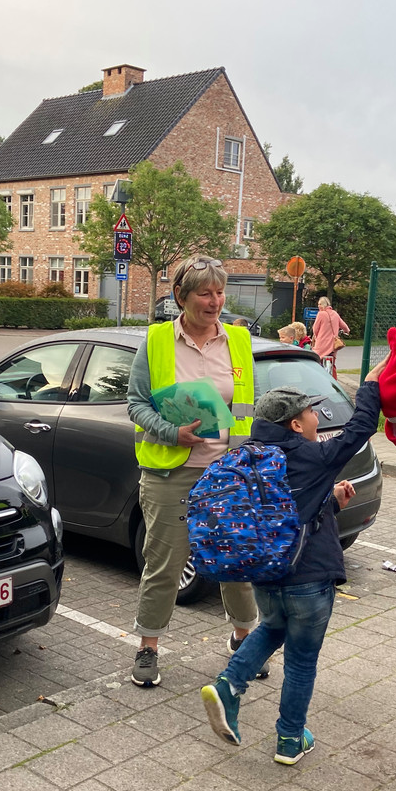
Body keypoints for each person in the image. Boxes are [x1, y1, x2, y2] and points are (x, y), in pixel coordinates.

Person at [200, 375, 383, 765]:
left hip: (266, 574)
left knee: (272, 627)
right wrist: (369, 385)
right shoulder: (312, 456)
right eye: (311, 412)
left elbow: (284, 514)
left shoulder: (249, 457)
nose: (318, 417)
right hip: (309, 580)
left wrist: (330, 501)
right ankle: (289, 739)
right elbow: (362, 426)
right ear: (296, 425)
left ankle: (230, 685)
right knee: (301, 660)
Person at [127, 255, 263, 687]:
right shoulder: (156, 340)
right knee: (165, 564)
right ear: (180, 297)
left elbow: (246, 407)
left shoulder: (239, 341)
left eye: (220, 291)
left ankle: (244, 638)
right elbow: (135, 403)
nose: (215, 300)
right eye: (205, 293)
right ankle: (148, 648)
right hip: (172, 472)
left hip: (228, 471)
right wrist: (171, 432)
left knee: (236, 561)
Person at [311, 296, 349, 377]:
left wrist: (317, 337)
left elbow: (315, 328)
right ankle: (334, 383)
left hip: (321, 344)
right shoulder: (335, 313)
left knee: (318, 363)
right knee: (332, 365)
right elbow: (344, 326)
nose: (318, 306)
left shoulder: (321, 314)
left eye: (320, 304)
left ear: (324, 305)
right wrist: (347, 331)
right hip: (333, 345)